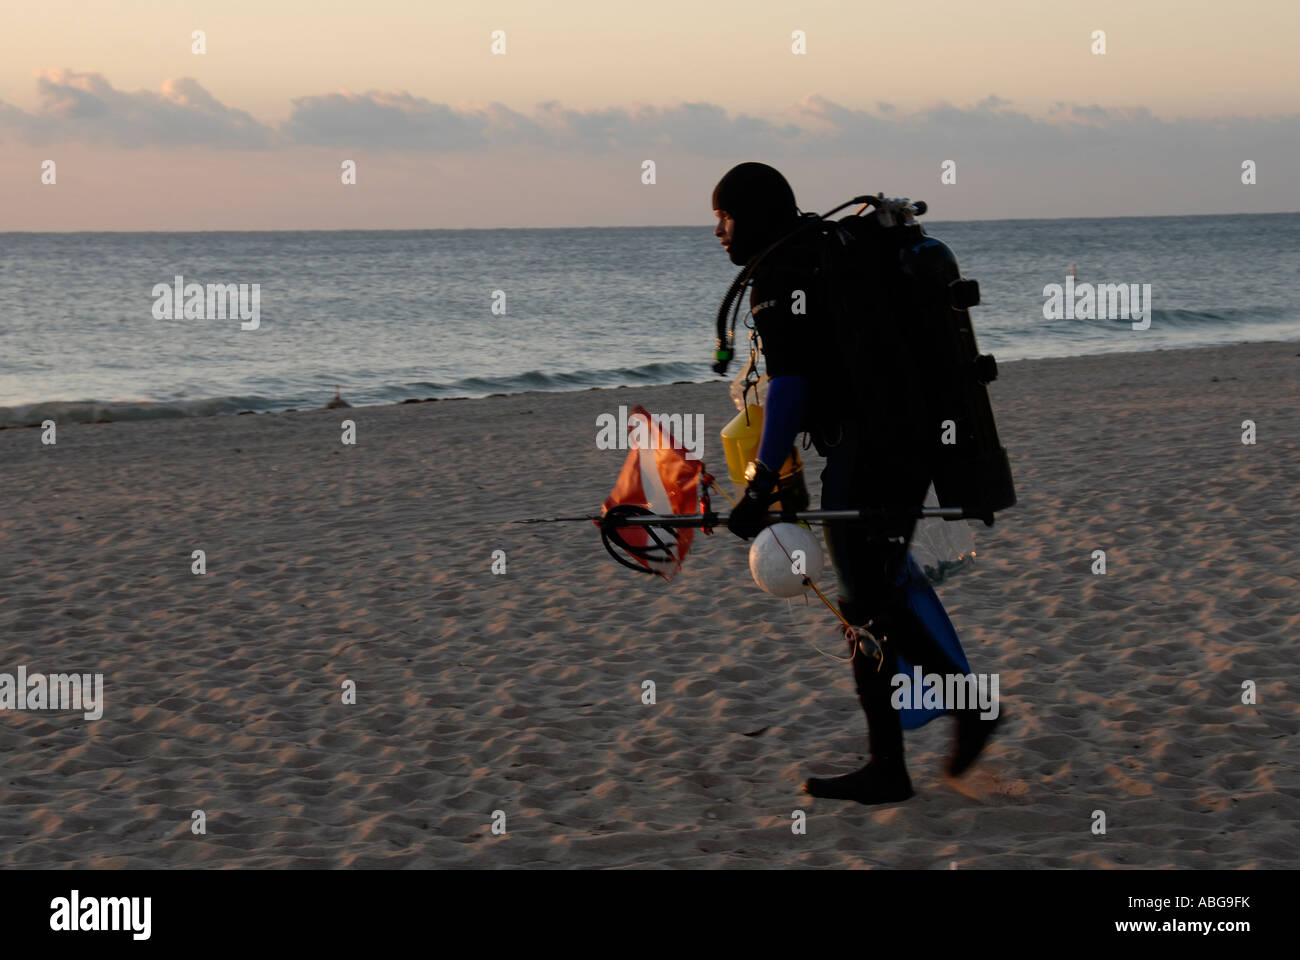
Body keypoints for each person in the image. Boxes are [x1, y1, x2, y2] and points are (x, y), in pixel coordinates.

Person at [711, 161, 1002, 804]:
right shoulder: (824, 252)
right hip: (901, 440)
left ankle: (951, 721)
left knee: (865, 601)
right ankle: (899, 757)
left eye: (725, 216)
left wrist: (758, 489)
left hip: (876, 450)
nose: (718, 231)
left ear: (754, 215)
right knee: (870, 598)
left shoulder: (780, 271)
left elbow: (789, 387)